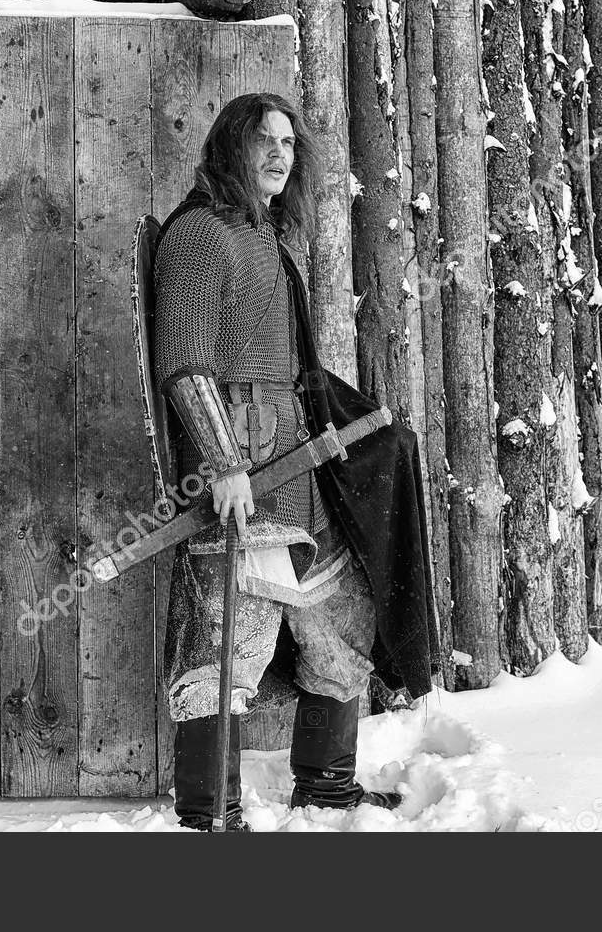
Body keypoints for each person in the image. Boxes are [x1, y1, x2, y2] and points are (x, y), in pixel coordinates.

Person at [150, 92, 413, 832]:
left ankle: (324, 784)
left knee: (343, 619)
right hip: (244, 475)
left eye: (288, 143)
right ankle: (212, 812)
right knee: (229, 643)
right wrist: (224, 462)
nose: (277, 153)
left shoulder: (262, 236)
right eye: (262, 140)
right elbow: (184, 365)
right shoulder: (201, 235)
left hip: (295, 472)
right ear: (229, 147)